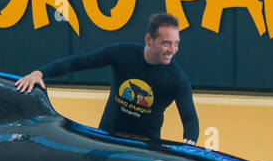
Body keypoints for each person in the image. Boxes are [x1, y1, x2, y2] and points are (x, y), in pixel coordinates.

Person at [15, 12, 199, 144]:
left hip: (145, 148)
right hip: (106, 140)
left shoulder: (176, 79)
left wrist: (190, 141)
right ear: (149, 40)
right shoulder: (122, 54)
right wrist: (39, 73)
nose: (173, 50)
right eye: (166, 43)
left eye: (176, 44)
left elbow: (190, 118)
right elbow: (77, 63)